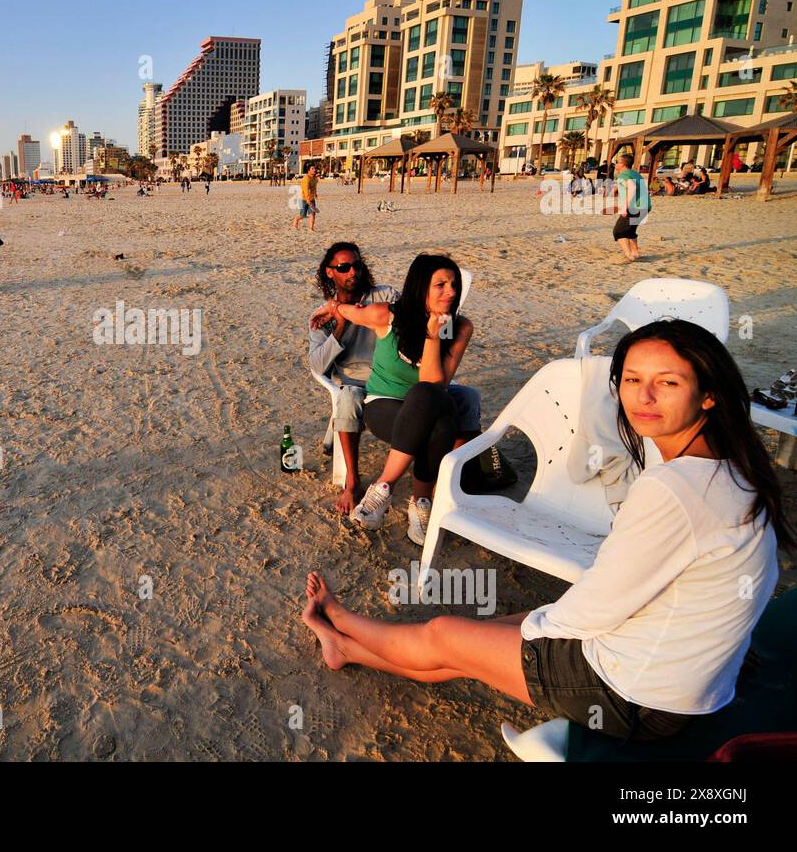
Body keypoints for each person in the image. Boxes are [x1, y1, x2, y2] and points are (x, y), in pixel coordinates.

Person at [300, 319, 789, 744]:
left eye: (667, 383)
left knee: (445, 634)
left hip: (637, 696)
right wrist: (521, 629)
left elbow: (596, 605)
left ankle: (338, 618)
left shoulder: (676, 488)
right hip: (678, 677)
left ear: (708, 394)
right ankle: (342, 647)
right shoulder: (735, 468)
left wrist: (530, 636)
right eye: (632, 379)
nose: (643, 396)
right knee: (484, 637)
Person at [309, 244, 483, 519]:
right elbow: (343, 320)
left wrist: (433, 335)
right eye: (441, 285)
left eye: (454, 284)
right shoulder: (382, 314)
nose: (451, 292)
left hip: (427, 399)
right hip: (379, 397)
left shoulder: (457, 326)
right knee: (438, 423)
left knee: (436, 402)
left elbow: (433, 384)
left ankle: (391, 490)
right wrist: (334, 312)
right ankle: (419, 500)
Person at [612, 153, 649, 263]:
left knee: (618, 232)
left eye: (617, 162)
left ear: (623, 164)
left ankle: (629, 255)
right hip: (645, 206)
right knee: (630, 231)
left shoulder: (623, 175)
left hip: (634, 207)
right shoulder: (635, 174)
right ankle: (635, 253)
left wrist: (625, 207)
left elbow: (632, 187)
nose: (615, 164)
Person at [293, 165, 319, 231]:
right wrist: (307, 199)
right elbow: (305, 189)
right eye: (312, 168)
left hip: (312, 198)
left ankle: (311, 229)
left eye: (314, 168)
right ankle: (296, 220)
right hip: (304, 199)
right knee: (302, 215)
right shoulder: (306, 178)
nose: (314, 170)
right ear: (309, 170)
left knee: (312, 214)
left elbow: (314, 187)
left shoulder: (315, 178)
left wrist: (315, 194)